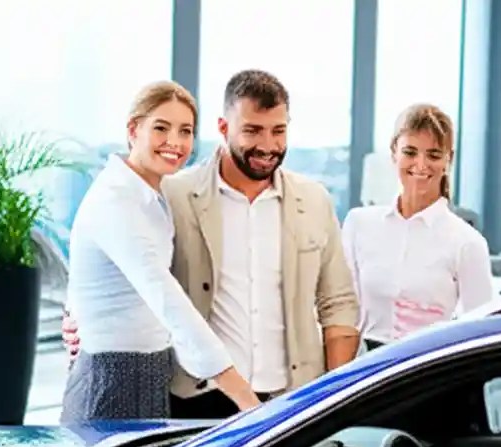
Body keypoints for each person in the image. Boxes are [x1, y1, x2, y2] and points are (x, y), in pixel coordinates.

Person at [63, 69, 360, 419]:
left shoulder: (314, 200)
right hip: (196, 395)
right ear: (223, 127)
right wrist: (79, 315)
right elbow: (152, 287)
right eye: (252, 130)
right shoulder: (172, 194)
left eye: (278, 131)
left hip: (293, 396)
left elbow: (338, 303)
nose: (267, 145)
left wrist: (336, 398)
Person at [60, 80, 260, 424]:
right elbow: (167, 299)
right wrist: (246, 398)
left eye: (186, 131)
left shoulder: (156, 193)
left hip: (152, 371)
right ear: (133, 130)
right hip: (109, 379)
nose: (175, 142)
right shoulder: (115, 200)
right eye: (161, 128)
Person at [341, 103, 492, 350]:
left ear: (448, 160)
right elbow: (344, 312)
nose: (421, 165)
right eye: (410, 152)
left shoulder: (467, 242)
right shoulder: (359, 224)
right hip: (365, 364)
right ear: (394, 152)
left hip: (429, 365)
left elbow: (479, 333)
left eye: (433, 155)